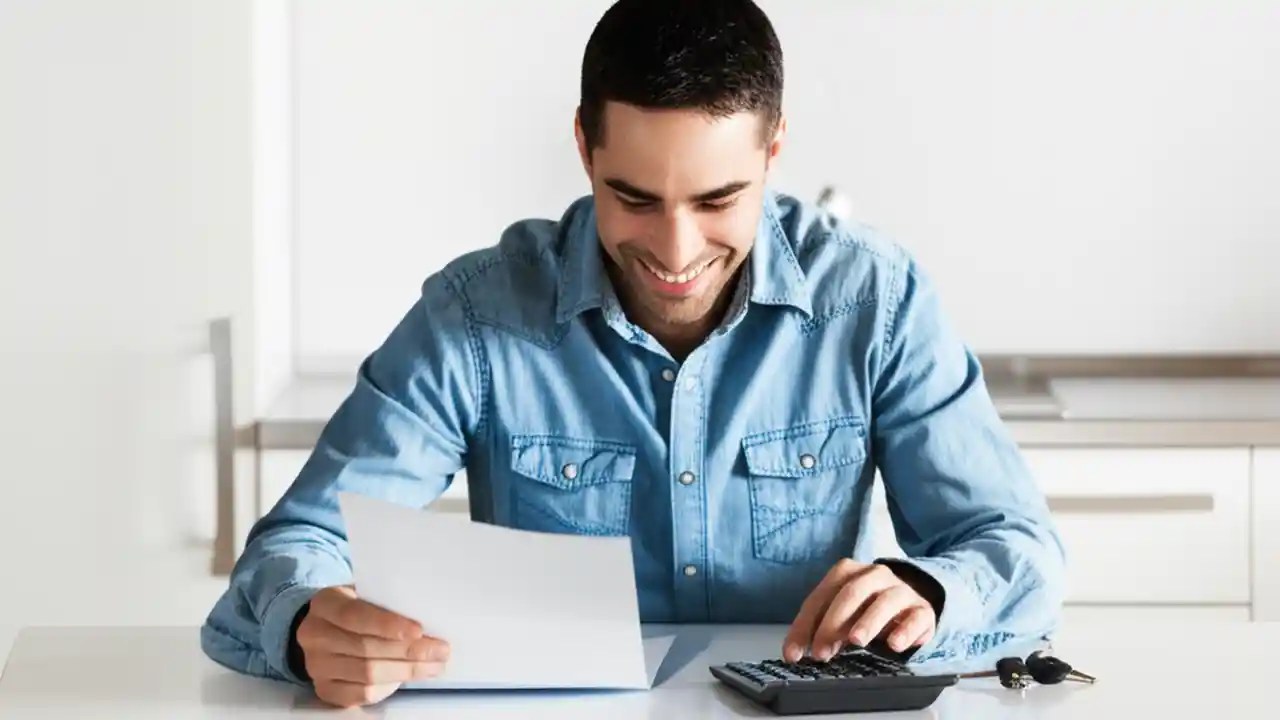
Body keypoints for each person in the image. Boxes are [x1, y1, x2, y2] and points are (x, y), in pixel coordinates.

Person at [202, 0, 1065, 708]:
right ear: (584, 146)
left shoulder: (875, 301)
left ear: (773, 151)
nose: (677, 249)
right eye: (634, 198)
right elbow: (301, 541)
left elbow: (1014, 548)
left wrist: (933, 591)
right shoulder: (475, 317)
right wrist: (313, 618)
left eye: (719, 198)